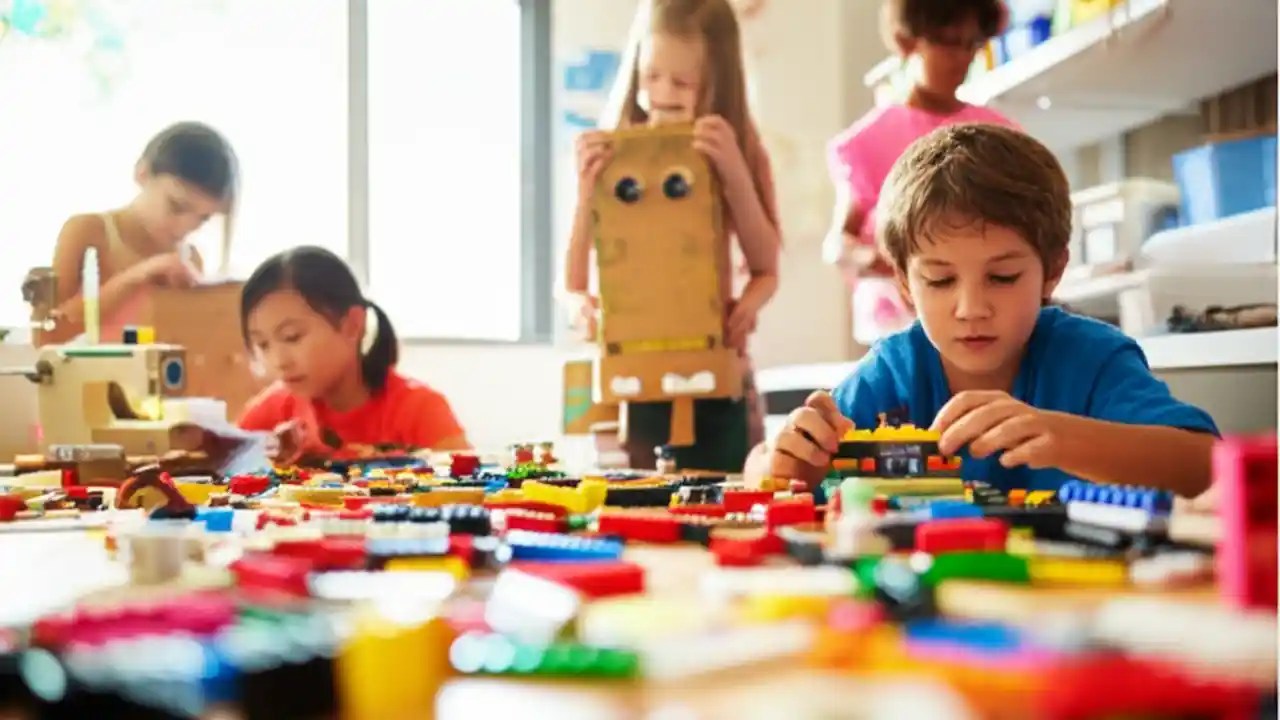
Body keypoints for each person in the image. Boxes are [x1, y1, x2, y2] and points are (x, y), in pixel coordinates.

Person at [747, 124, 1218, 498]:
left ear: (1052, 271)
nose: (971, 309)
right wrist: (785, 467)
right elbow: (758, 469)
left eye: (1003, 277)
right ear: (905, 284)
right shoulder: (893, 372)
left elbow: (1207, 465)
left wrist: (1059, 436)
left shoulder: (1092, 359)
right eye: (940, 280)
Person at [560, 0, 781, 472]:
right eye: (650, 75)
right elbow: (573, 282)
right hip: (634, 381)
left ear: (718, 81)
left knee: (720, 499)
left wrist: (734, 172)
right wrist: (578, 301)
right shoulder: (613, 149)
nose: (661, 93)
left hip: (716, 382)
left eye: (681, 82)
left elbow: (766, 265)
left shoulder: (738, 147)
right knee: (636, 500)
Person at [824, 0, 1015, 346]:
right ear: (907, 40)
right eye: (947, 41)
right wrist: (876, 259)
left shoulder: (999, 134)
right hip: (897, 328)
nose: (962, 57)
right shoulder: (869, 141)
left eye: (971, 43)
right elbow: (838, 243)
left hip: (981, 319)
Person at [237, 246, 469, 461]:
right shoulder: (275, 409)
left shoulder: (419, 409)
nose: (279, 361)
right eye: (263, 344)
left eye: (292, 337)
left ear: (353, 325)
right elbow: (221, 465)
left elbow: (468, 487)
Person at [41, 121, 238, 345]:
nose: (185, 227)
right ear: (142, 173)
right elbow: (48, 335)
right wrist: (139, 275)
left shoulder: (190, 260)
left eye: (204, 218)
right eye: (176, 206)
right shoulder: (88, 231)